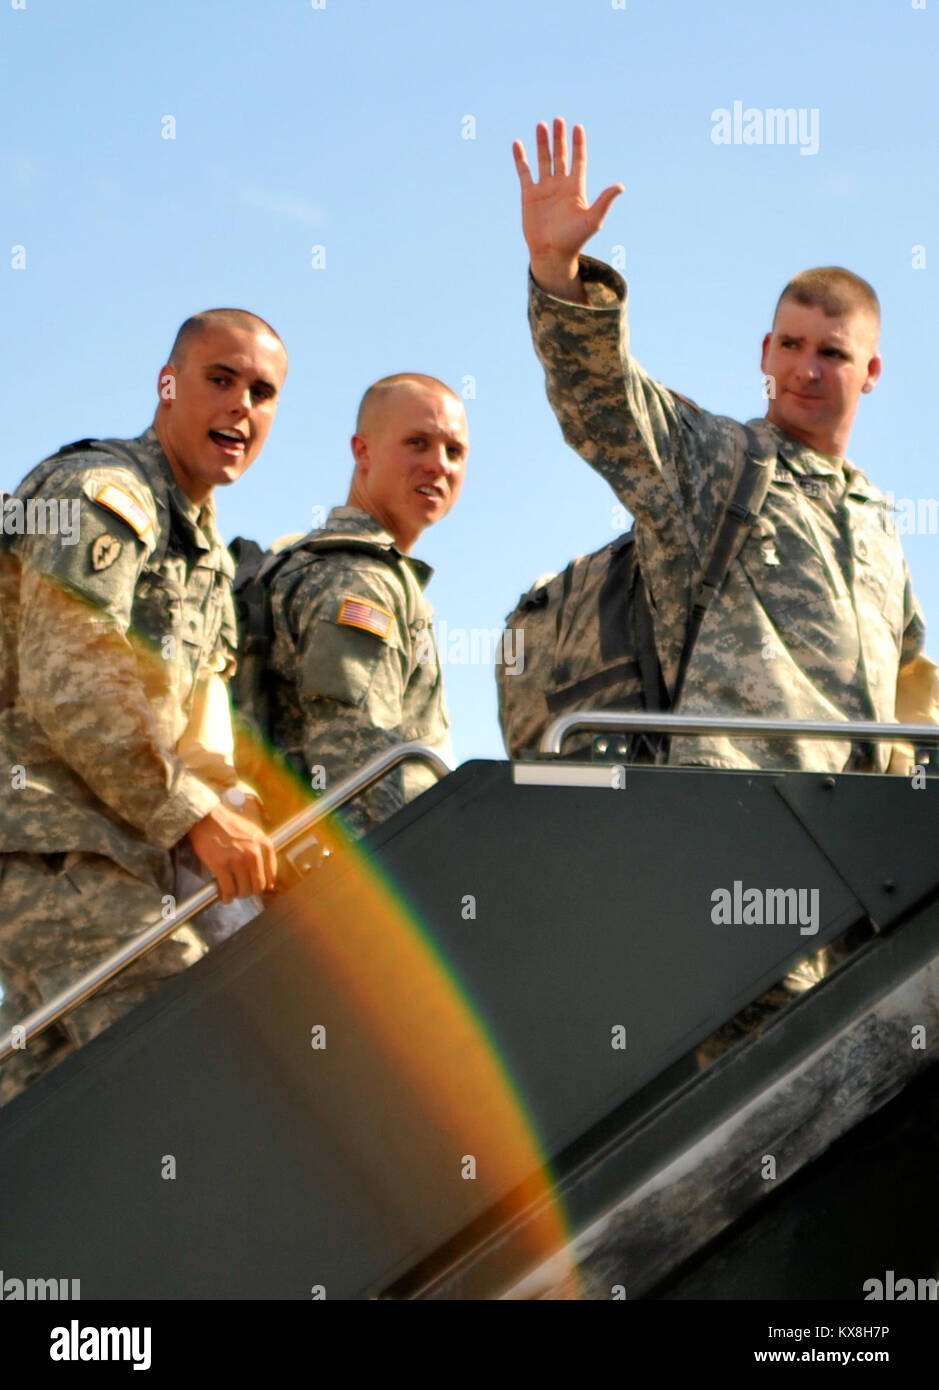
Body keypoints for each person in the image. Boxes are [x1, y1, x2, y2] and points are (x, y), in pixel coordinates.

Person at [512, 119, 925, 774]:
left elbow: (911, 685)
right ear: (765, 351)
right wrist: (556, 272)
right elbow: (610, 406)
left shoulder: (875, 515)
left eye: (831, 353)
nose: (805, 370)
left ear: (870, 372)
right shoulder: (720, 460)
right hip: (729, 810)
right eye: (789, 345)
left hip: (854, 841)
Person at [0, 309, 284, 1105]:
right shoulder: (103, 492)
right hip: (48, 841)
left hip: (128, 852)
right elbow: (74, 684)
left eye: (261, 392)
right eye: (219, 380)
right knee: (182, 1051)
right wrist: (195, 815)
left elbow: (198, 729)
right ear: (167, 385)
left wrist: (233, 813)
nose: (240, 407)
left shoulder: (208, 556)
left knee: (48, 1093)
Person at [264, 373, 467, 835]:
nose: (439, 465)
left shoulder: (365, 569)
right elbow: (359, 764)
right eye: (417, 443)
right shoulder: (359, 578)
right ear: (363, 451)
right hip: (358, 874)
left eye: (454, 451)